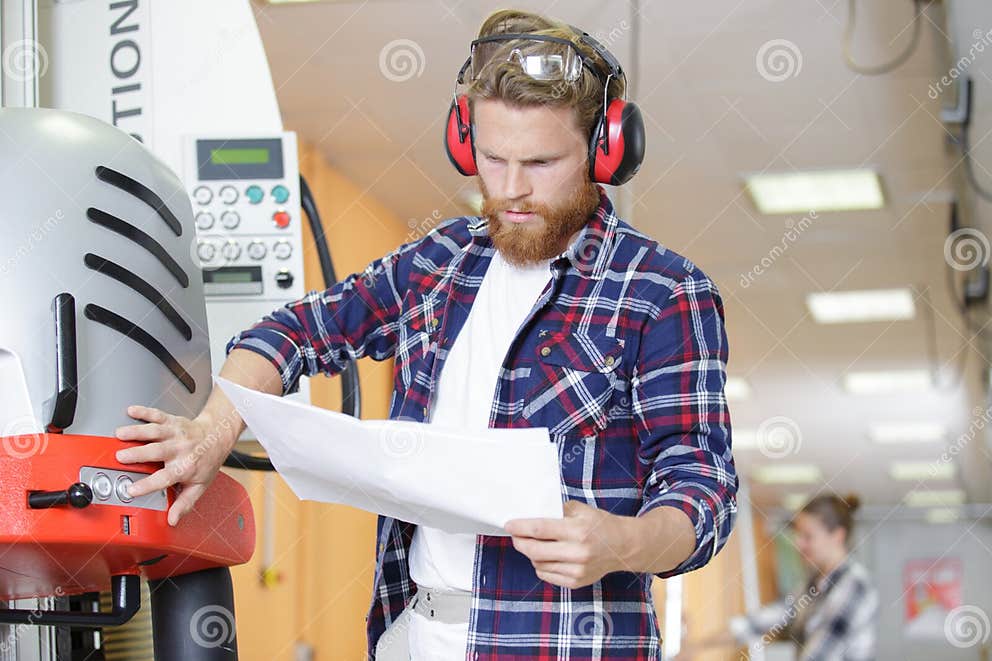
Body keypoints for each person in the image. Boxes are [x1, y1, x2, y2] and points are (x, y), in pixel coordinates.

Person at [114, 9, 738, 660]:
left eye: (541, 162)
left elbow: (704, 488)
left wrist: (622, 542)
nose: (512, 189)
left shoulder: (664, 291)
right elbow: (295, 330)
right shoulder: (439, 263)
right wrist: (212, 429)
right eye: (492, 159)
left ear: (603, 150)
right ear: (465, 143)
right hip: (414, 631)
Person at [676, 494, 878, 661]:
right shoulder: (812, 585)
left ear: (837, 536)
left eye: (808, 536)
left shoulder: (853, 586)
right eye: (798, 535)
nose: (799, 544)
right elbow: (757, 622)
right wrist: (699, 645)